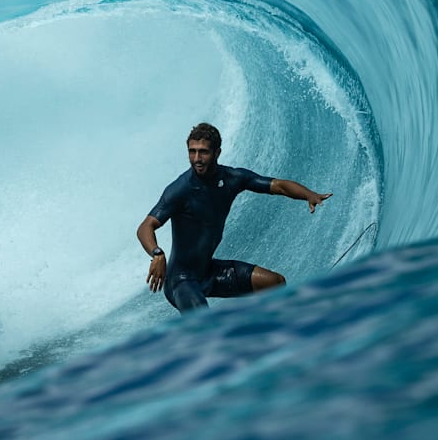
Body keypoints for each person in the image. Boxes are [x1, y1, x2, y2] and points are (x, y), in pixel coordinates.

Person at [137, 122, 331, 312]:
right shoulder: (180, 189)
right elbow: (146, 226)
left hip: (209, 272)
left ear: (217, 152)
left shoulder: (232, 178)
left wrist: (308, 194)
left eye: (203, 151)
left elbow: (277, 185)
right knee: (203, 319)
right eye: (192, 151)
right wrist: (157, 253)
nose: (196, 158)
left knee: (275, 282)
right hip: (180, 280)